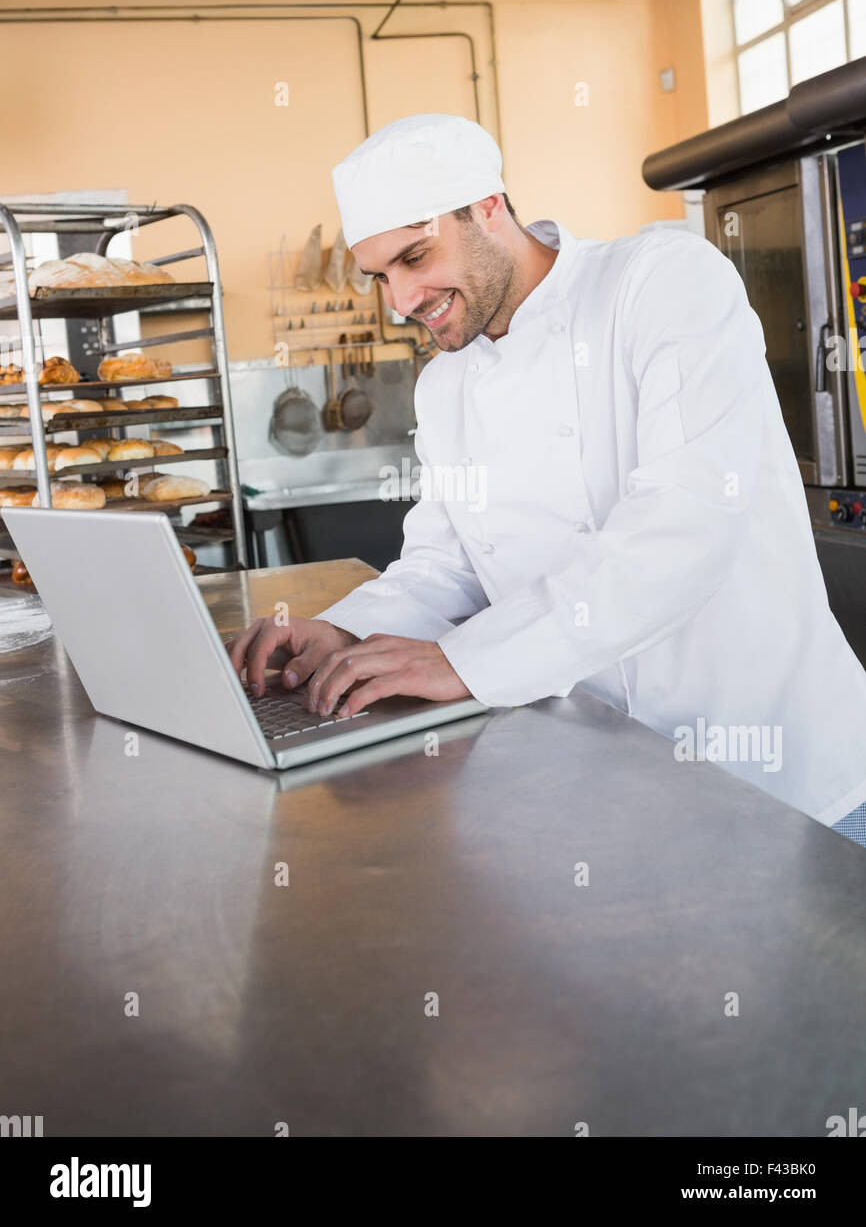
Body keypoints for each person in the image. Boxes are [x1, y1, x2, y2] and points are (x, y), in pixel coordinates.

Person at [228, 112, 866, 842]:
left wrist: (465, 662)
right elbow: (448, 563)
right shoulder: (446, 386)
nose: (399, 301)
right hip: (607, 786)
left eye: (415, 257)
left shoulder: (661, 283)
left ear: (488, 207)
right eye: (380, 276)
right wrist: (345, 629)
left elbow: (682, 531)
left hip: (787, 774)